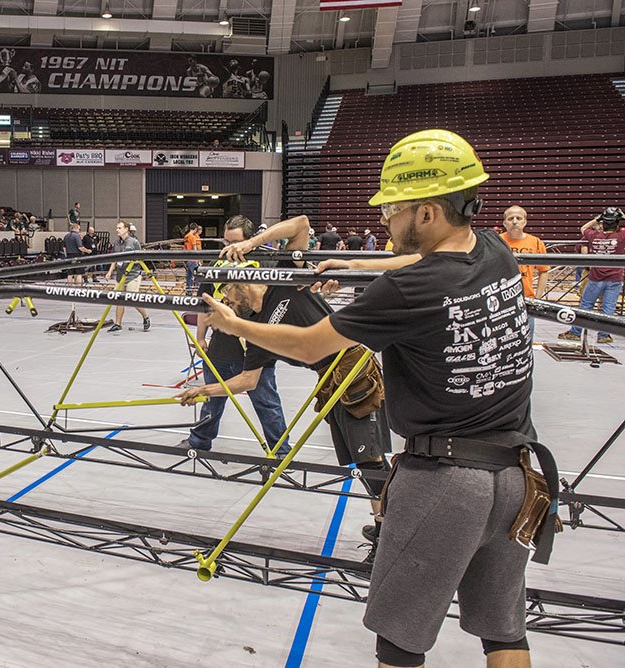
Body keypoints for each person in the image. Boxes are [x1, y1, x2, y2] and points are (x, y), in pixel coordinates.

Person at [203, 130, 544, 668]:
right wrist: (359, 267)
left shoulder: (410, 291)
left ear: (427, 213)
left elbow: (313, 344)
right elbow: (426, 266)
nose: (385, 220)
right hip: (518, 475)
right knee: (503, 632)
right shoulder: (496, 252)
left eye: (393, 210)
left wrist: (235, 323)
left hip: (447, 483)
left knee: (400, 645)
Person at [182, 214, 392, 536]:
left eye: (226, 297)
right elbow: (248, 380)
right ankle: (384, 527)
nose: (226, 303)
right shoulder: (256, 328)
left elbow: (302, 224)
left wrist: (250, 244)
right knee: (361, 462)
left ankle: (389, 533)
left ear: (237, 285)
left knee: (371, 461)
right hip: (329, 378)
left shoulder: (285, 276)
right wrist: (203, 391)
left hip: (352, 370)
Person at [173, 215, 287, 456]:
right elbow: (206, 304)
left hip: (254, 347)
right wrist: (201, 337)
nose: (229, 247)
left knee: (266, 402)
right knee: (212, 399)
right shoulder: (218, 264)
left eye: (235, 241)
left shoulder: (264, 263)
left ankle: (281, 450)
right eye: (226, 241)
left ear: (249, 240)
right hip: (220, 346)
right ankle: (200, 439)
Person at [559, 207, 625, 344]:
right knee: (608, 308)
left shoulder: (594, 236)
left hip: (596, 277)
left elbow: (583, 228)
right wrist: (622, 217)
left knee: (586, 305)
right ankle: (604, 335)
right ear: (617, 223)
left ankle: (576, 332)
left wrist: (597, 219)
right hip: (615, 278)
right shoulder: (621, 236)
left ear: (603, 222)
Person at [500, 206, 549, 339]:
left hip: (526, 299)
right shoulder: (496, 241)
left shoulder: (536, 242)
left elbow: (543, 271)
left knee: (526, 340)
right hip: (501, 300)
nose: (515, 221)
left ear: (525, 222)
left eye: (519, 218)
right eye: (510, 218)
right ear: (505, 223)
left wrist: (538, 297)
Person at [105, 220, 150, 332]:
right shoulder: (116, 243)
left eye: (119, 228)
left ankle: (146, 317)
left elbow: (140, 259)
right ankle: (117, 323)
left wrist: (131, 261)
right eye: (117, 228)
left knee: (132, 299)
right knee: (118, 299)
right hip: (120, 276)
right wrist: (110, 272)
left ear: (126, 229)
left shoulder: (134, 242)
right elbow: (114, 259)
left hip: (132, 275)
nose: (117, 230)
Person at [183, 222, 202, 293]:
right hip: (193, 259)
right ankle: (198, 290)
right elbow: (195, 249)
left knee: (189, 276)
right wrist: (198, 259)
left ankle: (188, 291)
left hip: (187, 258)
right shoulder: (193, 237)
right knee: (197, 275)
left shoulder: (186, 236)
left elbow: (184, 247)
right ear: (195, 229)